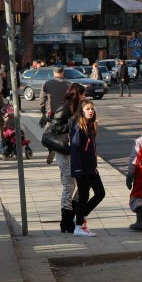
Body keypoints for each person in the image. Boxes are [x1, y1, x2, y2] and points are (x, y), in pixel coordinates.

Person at [46, 83, 85, 233]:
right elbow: (53, 129)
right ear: (77, 95)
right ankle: (66, 222)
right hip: (64, 152)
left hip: (74, 151)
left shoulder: (76, 109)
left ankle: (71, 217)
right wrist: (72, 125)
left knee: (78, 185)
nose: (85, 97)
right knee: (69, 185)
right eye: (83, 94)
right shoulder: (64, 109)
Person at [70, 99, 105, 237]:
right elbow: (75, 148)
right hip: (82, 169)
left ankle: (80, 215)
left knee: (100, 193)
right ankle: (78, 227)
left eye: (92, 109)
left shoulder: (90, 125)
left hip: (91, 168)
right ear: (82, 111)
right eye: (88, 109)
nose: (91, 111)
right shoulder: (78, 126)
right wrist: (77, 169)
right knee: (84, 196)